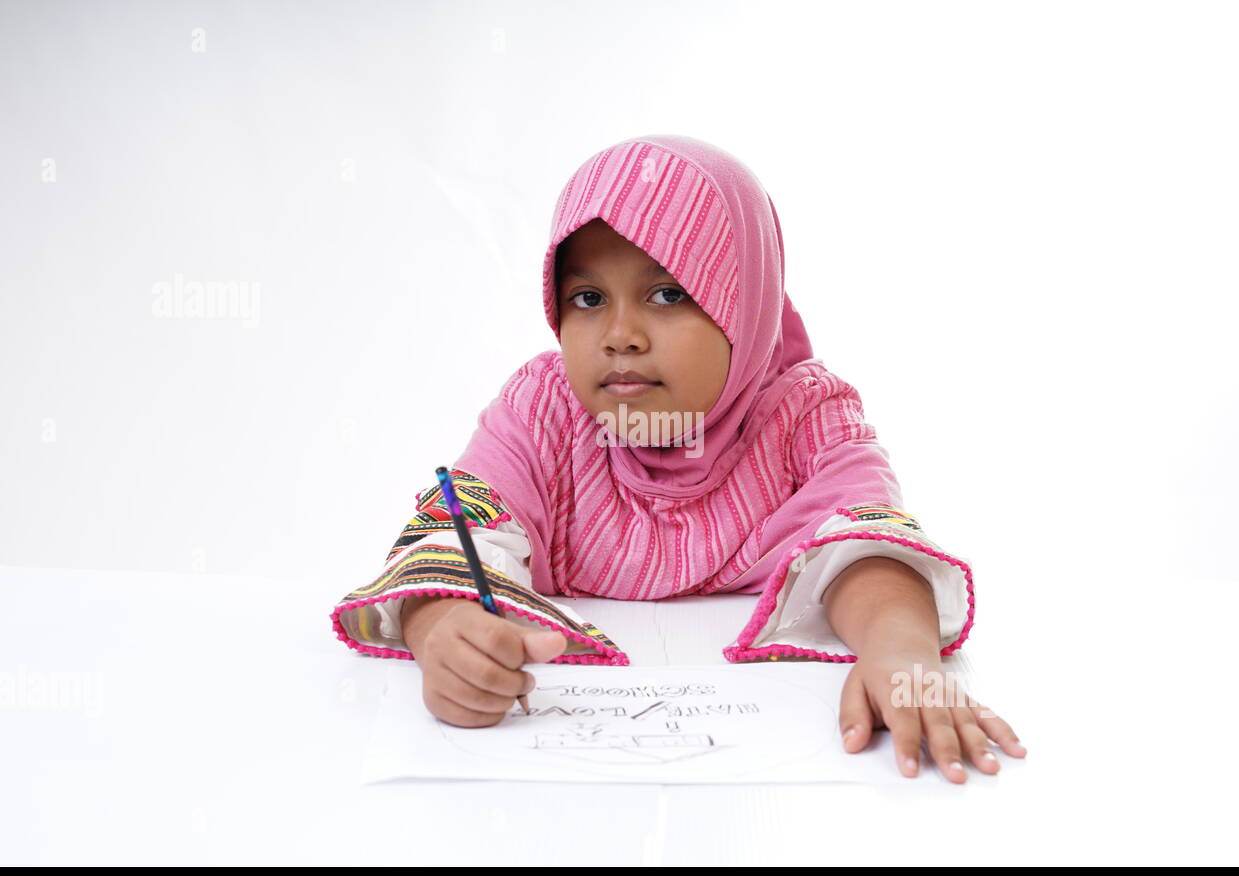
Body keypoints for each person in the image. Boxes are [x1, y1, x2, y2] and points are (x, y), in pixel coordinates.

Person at [330, 134, 1026, 782]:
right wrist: (441, 629)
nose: (621, 335)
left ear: (744, 304)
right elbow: (459, 538)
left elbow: (866, 546)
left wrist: (898, 649)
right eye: (588, 298)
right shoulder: (544, 408)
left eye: (668, 294)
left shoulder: (802, 415)